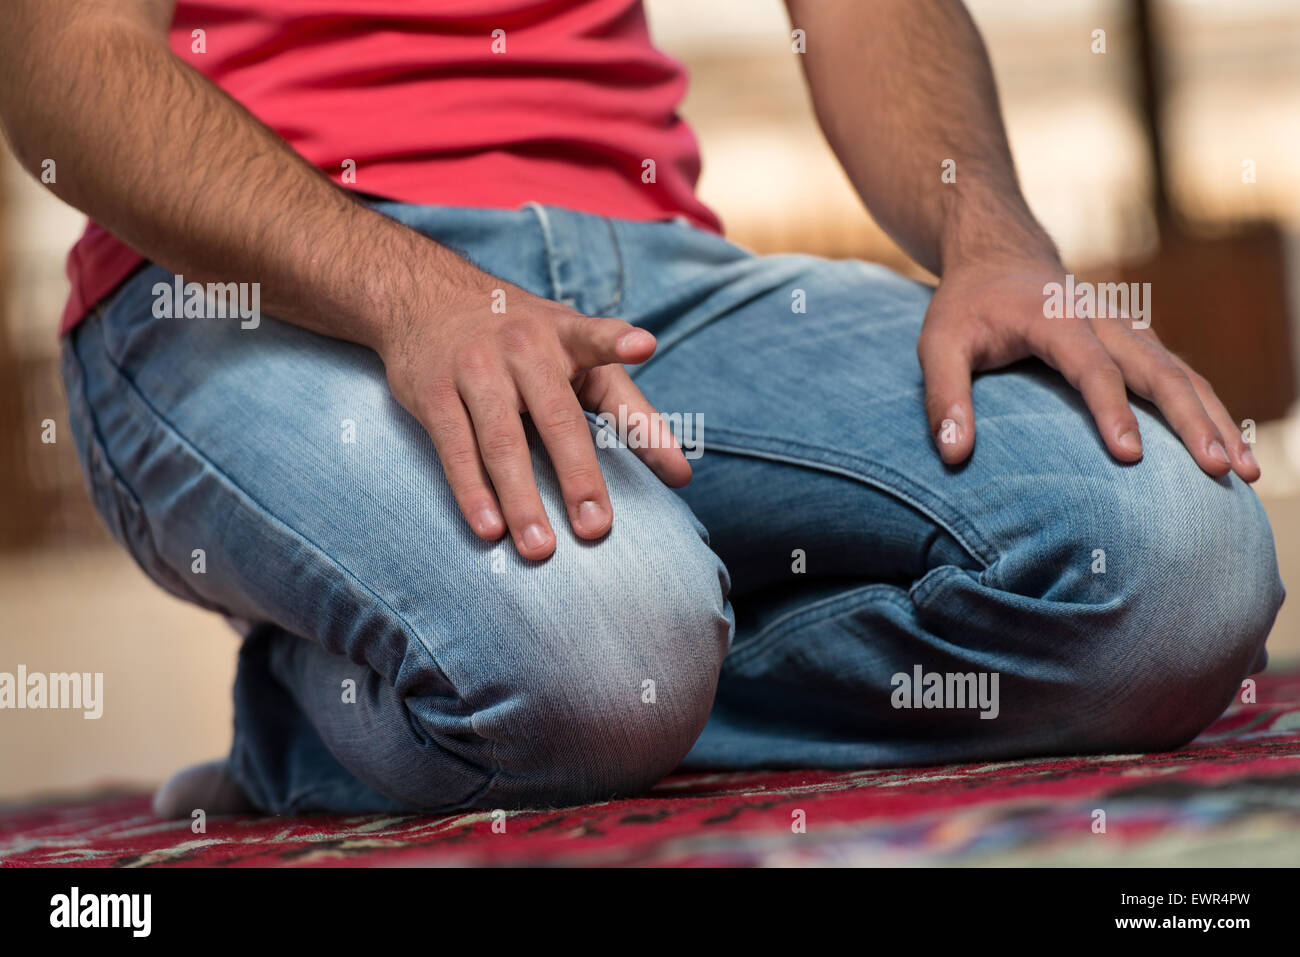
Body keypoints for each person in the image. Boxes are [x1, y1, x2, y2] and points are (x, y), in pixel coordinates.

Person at [0, 0, 1283, 817]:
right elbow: (61, 64)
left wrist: (993, 237)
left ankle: (573, 668)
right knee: (600, 655)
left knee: (1181, 568)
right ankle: (482, 682)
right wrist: (413, 297)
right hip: (249, 291)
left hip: (654, 280)